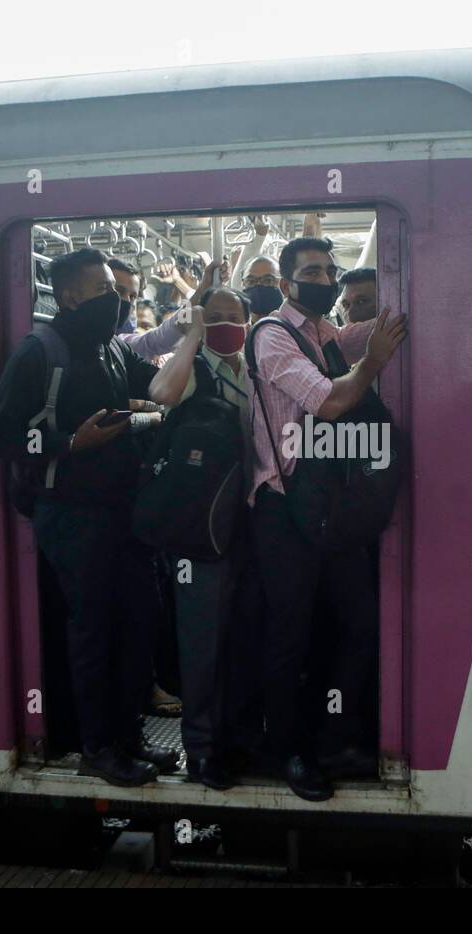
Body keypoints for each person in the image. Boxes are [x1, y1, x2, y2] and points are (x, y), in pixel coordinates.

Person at [0, 248, 179, 787]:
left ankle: (130, 735)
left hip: (124, 510)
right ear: (69, 296)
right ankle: (97, 747)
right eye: (102, 289)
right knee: (95, 631)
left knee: (139, 621)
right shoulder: (39, 352)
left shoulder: (111, 348)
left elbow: (158, 386)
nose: (113, 299)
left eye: (115, 290)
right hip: (71, 515)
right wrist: (72, 442)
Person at [248, 236, 406, 801]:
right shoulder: (271, 337)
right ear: (286, 283)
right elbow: (328, 401)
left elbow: (376, 327)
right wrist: (374, 362)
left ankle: (336, 736)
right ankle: (289, 751)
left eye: (329, 269)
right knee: (291, 636)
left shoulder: (325, 333)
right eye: (311, 270)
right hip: (283, 509)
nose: (324, 277)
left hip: (328, 510)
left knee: (359, 625)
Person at [148, 287, 264, 789]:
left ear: (248, 319)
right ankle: (201, 750)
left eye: (231, 317)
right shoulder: (195, 369)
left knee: (243, 638)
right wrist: (191, 338)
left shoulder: (259, 364)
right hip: (201, 530)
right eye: (213, 318)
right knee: (202, 645)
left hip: (254, 522)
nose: (224, 326)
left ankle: (238, 742)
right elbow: (161, 395)